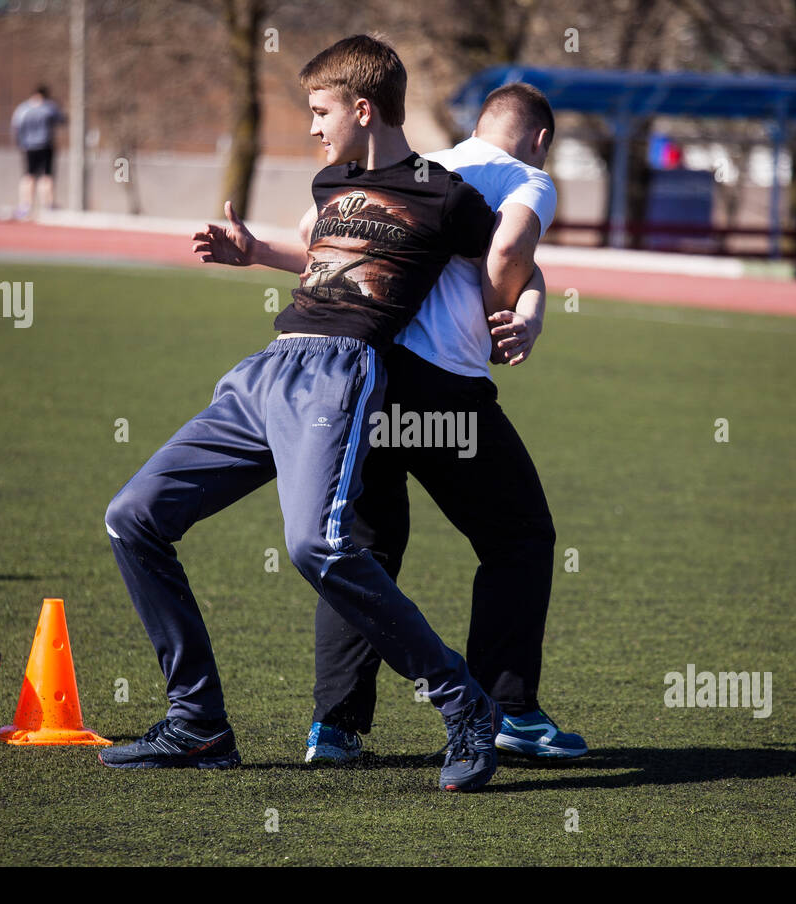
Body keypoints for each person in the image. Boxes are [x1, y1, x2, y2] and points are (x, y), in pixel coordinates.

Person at [101, 35, 508, 793]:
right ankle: (198, 724)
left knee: (315, 545)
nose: (313, 127)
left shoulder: (444, 192)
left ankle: (465, 707)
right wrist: (256, 251)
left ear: (363, 108)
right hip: (266, 368)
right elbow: (330, 261)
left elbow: (517, 259)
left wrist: (527, 315)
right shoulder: (330, 184)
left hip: (339, 375)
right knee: (132, 517)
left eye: (320, 111)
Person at [198, 83, 587, 763]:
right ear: (540, 140)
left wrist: (257, 251)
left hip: (363, 376)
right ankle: (511, 713)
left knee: (364, 547)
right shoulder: (527, 178)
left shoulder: (421, 164)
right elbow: (508, 251)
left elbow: (320, 242)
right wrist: (510, 319)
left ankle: (335, 728)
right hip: (442, 389)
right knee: (519, 536)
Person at [10, 85, 65, 217]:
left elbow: (16, 126)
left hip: (28, 146)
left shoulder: (23, 109)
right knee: (47, 176)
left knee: (29, 175)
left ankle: (25, 205)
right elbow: (62, 120)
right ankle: (48, 205)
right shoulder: (49, 107)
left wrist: (19, 142)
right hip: (45, 145)